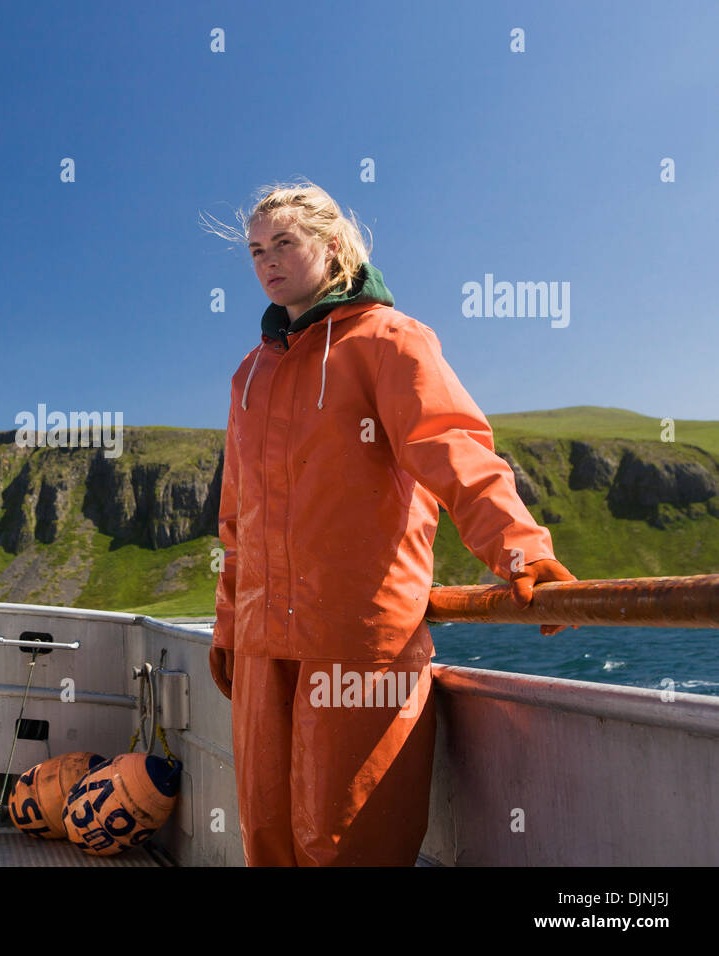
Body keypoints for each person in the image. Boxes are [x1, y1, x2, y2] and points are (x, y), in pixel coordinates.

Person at [202, 181, 576, 866]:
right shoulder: (248, 376)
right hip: (261, 646)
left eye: (285, 242)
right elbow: (236, 520)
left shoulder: (390, 340)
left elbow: (455, 449)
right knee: (268, 839)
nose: (267, 261)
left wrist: (522, 550)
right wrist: (229, 623)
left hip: (358, 637)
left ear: (334, 245)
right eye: (257, 250)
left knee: (346, 844)